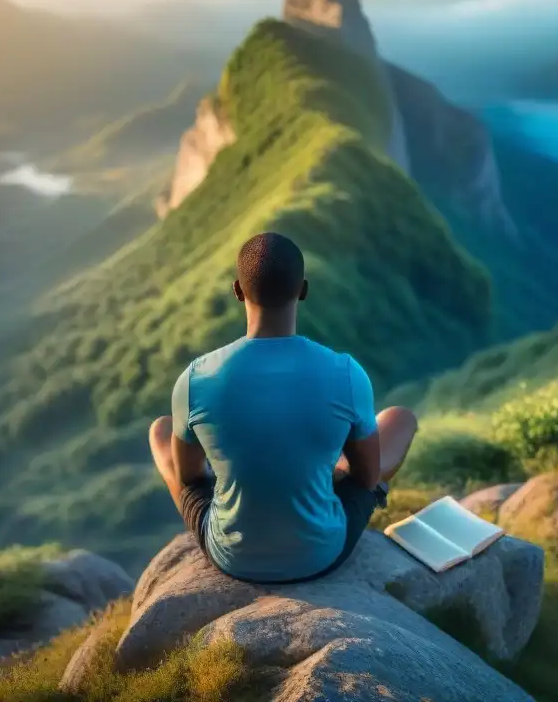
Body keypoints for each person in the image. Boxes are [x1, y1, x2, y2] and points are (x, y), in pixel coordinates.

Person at [148, 231, 418, 583]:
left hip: (232, 557)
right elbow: (366, 478)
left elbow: (189, 477)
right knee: (400, 419)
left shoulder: (195, 378)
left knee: (161, 430)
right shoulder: (346, 372)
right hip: (321, 555)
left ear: (238, 291)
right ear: (303, 290)